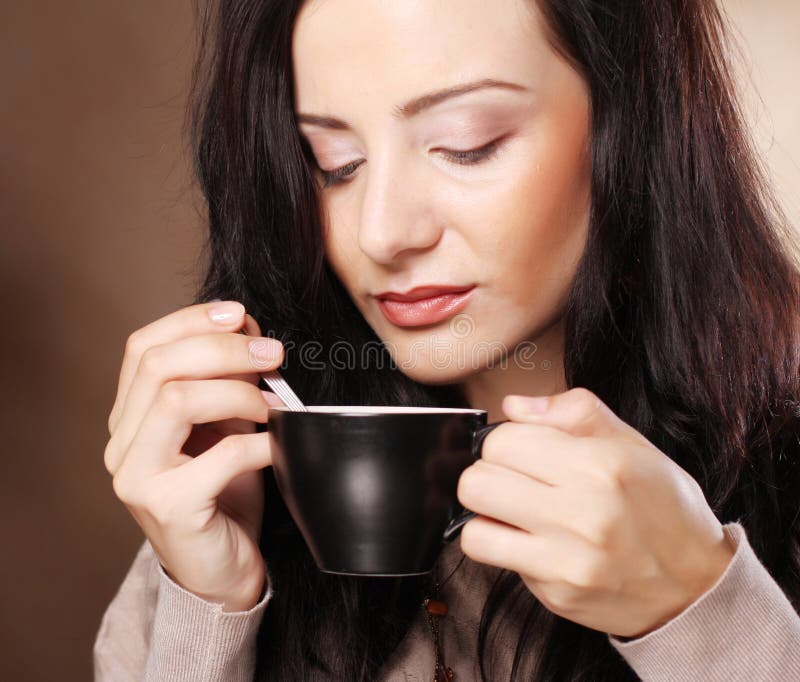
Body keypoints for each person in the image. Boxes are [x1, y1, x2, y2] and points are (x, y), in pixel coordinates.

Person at [93, 0, 800, 679]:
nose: (382, 233)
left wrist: (702, 613)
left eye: (466, 145)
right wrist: (208, 605)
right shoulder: (244, 491)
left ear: (636, 122)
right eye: (333, 162)